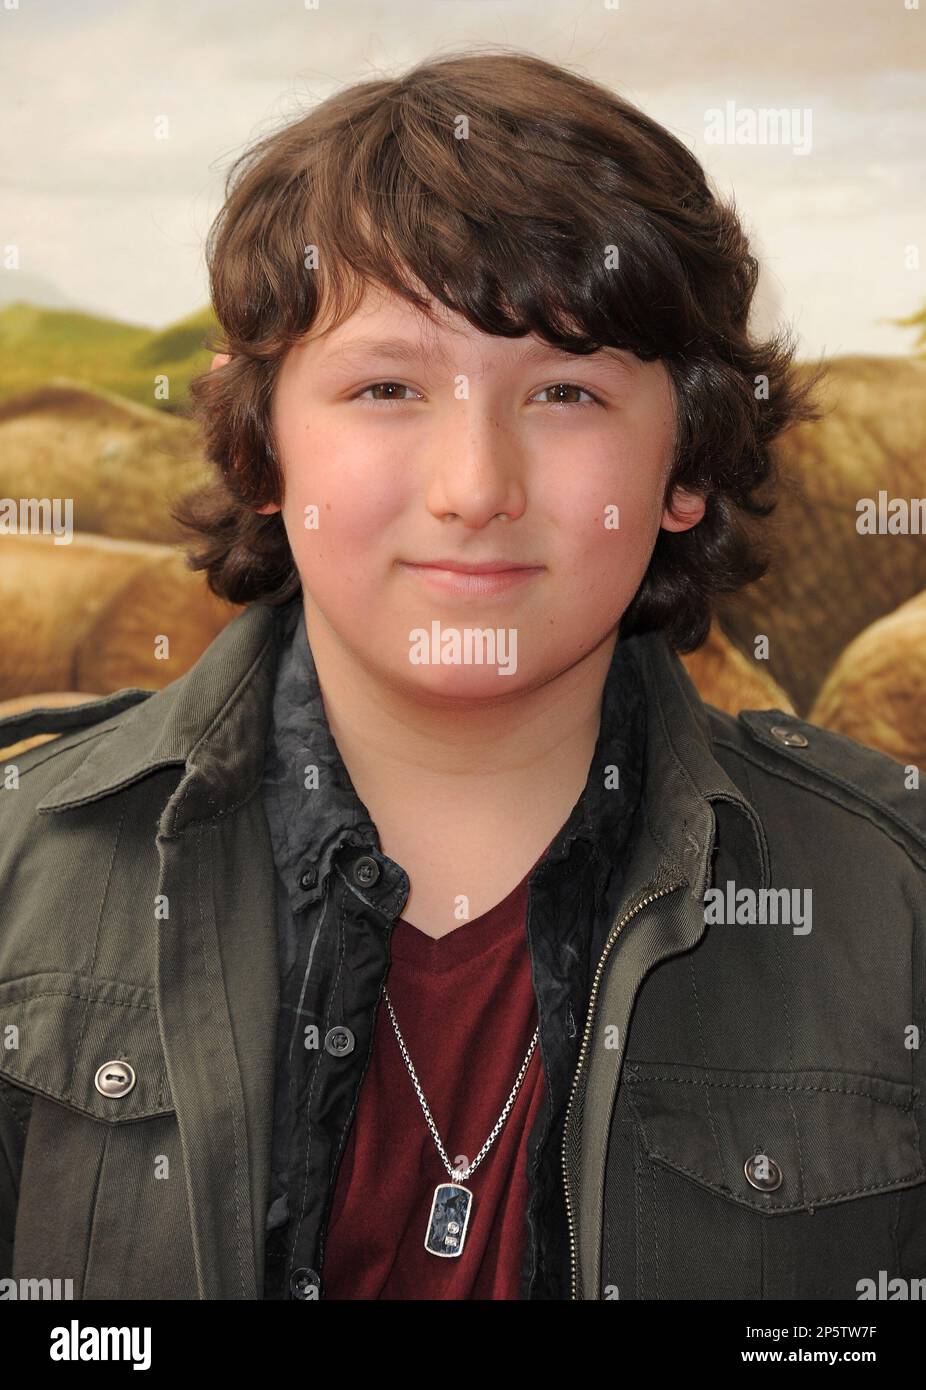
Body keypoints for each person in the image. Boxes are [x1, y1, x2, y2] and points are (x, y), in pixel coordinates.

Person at [0, 48, 923, 1303]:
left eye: (563, 390)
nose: (475, 488)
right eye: (385, 386)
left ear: (685, 463)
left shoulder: (893, 913)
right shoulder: (20, 887)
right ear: (262, 445)